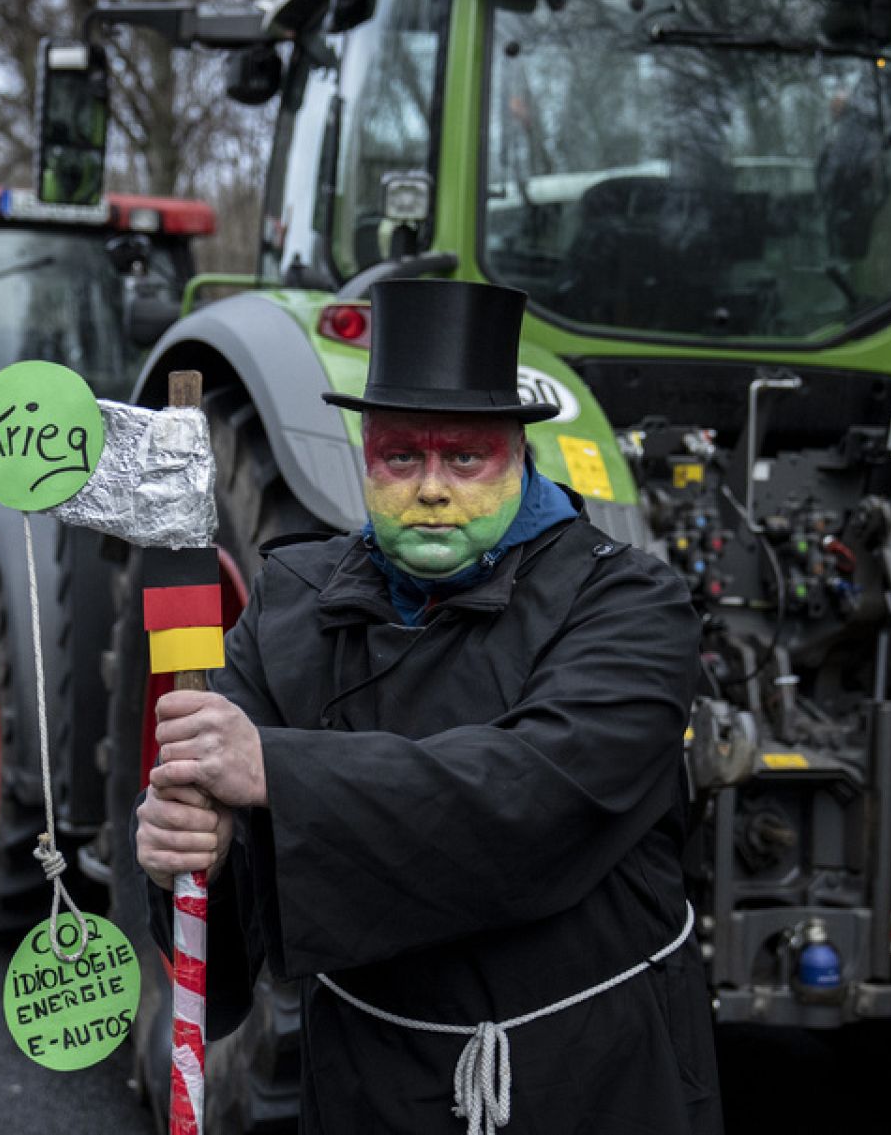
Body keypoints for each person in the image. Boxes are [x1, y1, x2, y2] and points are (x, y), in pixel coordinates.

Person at [135, 280, 719, 1133]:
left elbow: (534, 794)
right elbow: (231, 877)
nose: (431, 488)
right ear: (364, 455)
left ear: (518, 454)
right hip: (365, 1091)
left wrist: (276, 770)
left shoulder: (630, 604)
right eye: (401, 457)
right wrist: (189, 850)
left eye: (465, 458)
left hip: (590, 1084)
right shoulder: (291, 603)